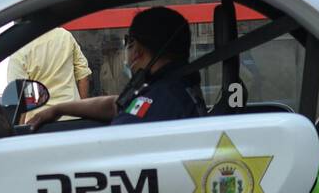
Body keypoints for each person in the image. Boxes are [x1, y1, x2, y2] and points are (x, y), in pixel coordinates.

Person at [26, 7, 205, 128]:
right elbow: (116, 105)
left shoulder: (161, 100)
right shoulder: (172, 86)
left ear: (137, 49)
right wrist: (59, 109)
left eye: (128, 43)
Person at [7, 27, 92, 109]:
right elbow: (83, 75)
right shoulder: (65, 36)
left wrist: (20, 124)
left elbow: (20, 97)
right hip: (71, 116)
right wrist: (82, 112)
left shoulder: (20, 50)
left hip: (39, 120)